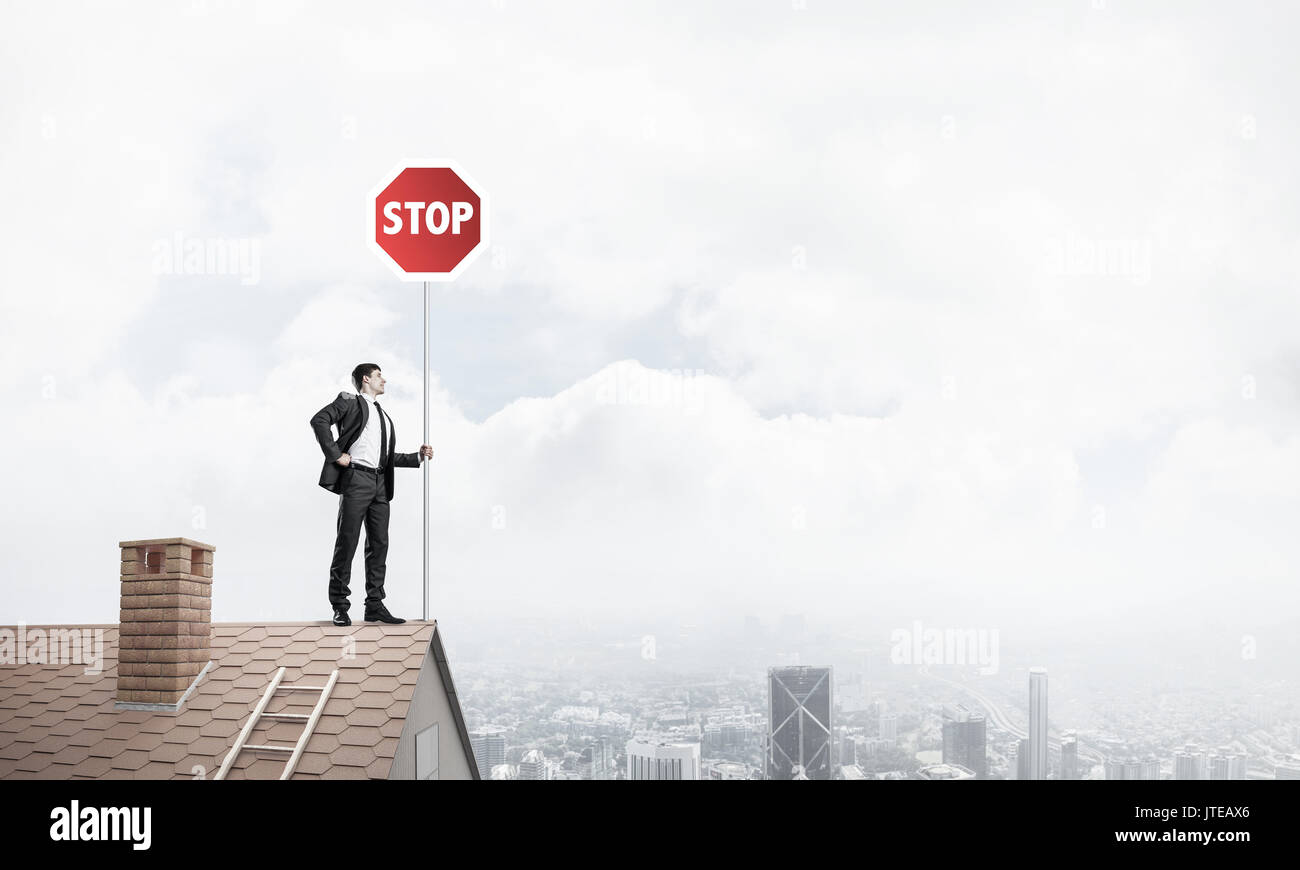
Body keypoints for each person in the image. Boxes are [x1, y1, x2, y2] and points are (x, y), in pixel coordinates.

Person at [309, 363, 433, 626]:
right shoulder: (349, 401)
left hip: (380, 483)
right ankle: (340, 606)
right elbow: (319, 420)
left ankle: (374, 605)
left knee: (379, 544)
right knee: (348, 541)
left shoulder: (384, 416)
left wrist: (417, 457)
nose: (384, 380)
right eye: (379, 376)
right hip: (356, 478)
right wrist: (335, 455)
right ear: (366, 379)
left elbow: (386, 457)